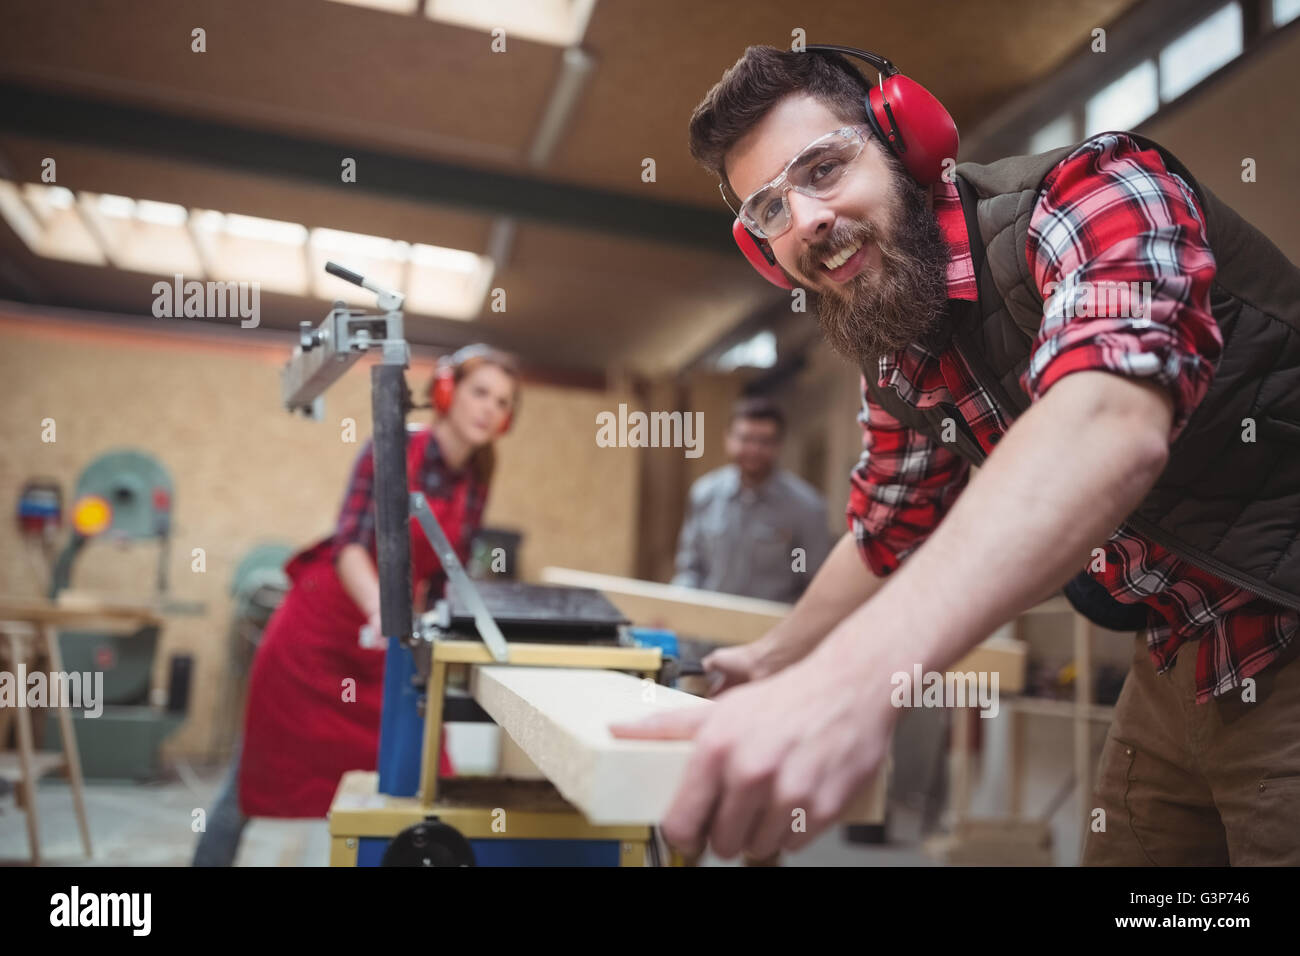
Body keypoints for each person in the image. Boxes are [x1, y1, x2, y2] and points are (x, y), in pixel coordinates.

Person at [612, 44, 1300, 865]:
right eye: (770, 211)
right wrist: (767, 661)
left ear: (906, 142)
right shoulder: (896, 354)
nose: (806, 220)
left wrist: (848, 682)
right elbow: (886, 532)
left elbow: (1111, 412)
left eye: (824, 169)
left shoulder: (1096, 192)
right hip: (1181, 650)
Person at [193, 345, 519, 866]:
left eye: (502, 402)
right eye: (480, 392)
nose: (488, 408)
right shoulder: (390, 450)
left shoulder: (476, 477)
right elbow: (349, 544)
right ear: (446, 392)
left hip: (383, 650)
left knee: (431, 784)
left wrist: (442, 626)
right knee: (250, 787)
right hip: (317, 637)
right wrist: (382, 611)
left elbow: (444, 572)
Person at [672, 397, 831, 603]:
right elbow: (690, 568)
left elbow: (810, 581)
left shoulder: (804, 509)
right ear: (727, 439)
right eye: (745, 439)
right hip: (708, 628)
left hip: (771, 631)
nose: (754, 449)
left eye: (764, 441)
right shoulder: (705, 496)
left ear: (779, 445)